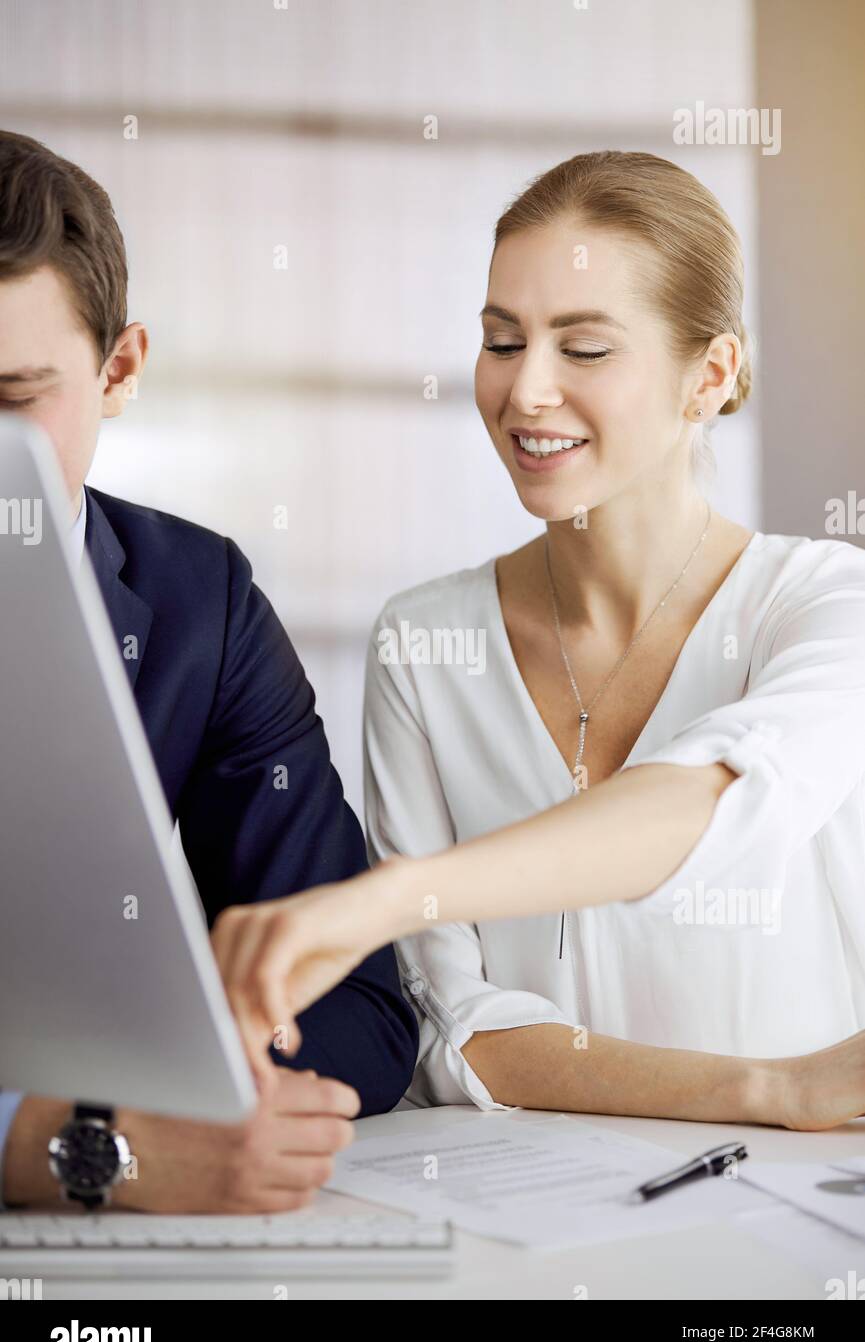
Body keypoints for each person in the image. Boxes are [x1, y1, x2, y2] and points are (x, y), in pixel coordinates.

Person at [212, 151, 865, 1135]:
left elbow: (721, 803)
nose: (525, 393)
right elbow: (455, 1030)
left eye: (585, 348)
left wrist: (383, 899)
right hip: (531, 1239)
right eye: (502, 341)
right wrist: (765, 1091)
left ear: (711, 373)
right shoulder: (424, 642)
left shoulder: (824, 603)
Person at [0, 130, 418, 1214]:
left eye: (14, 400)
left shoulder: (203, 606)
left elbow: (361, 1011)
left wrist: (205, 1079)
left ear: (119, 368)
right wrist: (78, 1142)